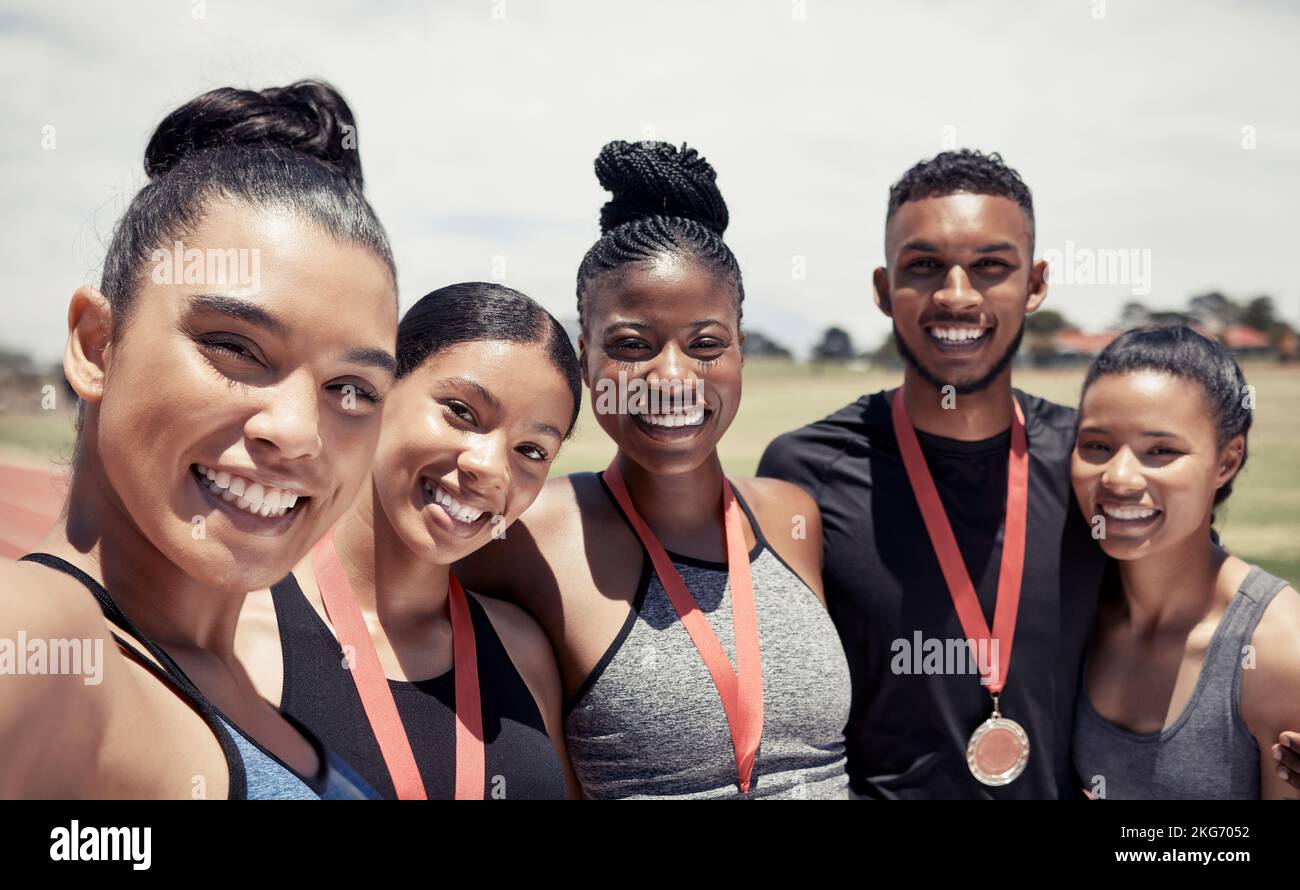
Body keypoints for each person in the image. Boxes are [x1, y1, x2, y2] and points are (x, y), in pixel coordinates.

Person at [1, 81, 399, 799]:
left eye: (352, 389)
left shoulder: (249, 679)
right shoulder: (43, 645)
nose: (299, 433)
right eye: (236, 347)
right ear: (97, 345)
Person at [455, 139, 852, 799]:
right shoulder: (528, 535)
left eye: (705, 345)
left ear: (741, 352)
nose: (672, 377)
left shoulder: (791, 515)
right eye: (632, 345)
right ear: (585, 359)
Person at [758, 149, 1109, 798]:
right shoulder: (803, 473)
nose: (956, 294)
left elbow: (1202, 614)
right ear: (883, 288)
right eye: (924, 267)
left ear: (1034, 285)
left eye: (990, 267)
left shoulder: (1092, 460)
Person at [236, 283, 582, 799]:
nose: (488, 468)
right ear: (378, 388)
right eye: (461, 412)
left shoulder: (523, 651)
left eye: (532, 450)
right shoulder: (240, 641)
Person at [1070, 325, 1300, 799]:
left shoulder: (1278, 649)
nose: (1118, 477)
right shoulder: (1075, 613)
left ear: (1226, 461)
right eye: (1097, 446)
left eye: (1161, 450)